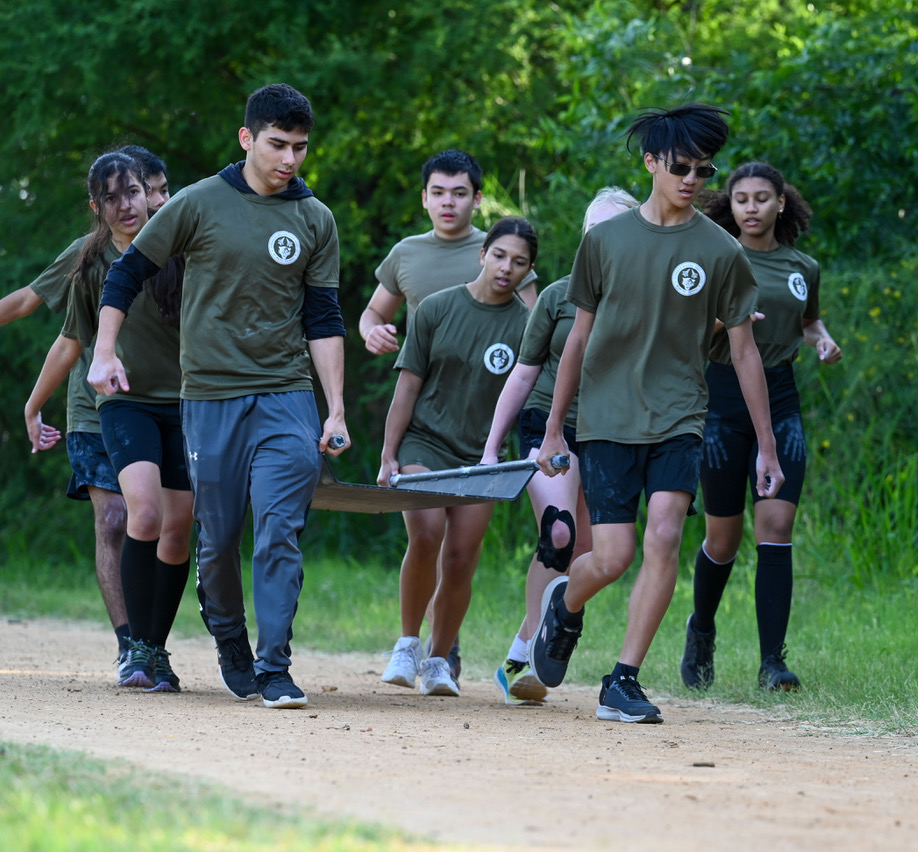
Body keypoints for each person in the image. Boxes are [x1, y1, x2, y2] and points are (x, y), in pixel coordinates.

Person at [90, 83, 350, 710]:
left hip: (286, 394)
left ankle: (275, 663)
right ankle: (229, 634)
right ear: (247, 138)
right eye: (277, 145)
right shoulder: (199, 203)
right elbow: (128, 273)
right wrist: (105, 350)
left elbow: (323, 317)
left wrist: (335, 406)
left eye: (300, 147)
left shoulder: (315, 218)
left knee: (279, 529)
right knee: (219, 536)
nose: (290, 159)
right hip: (209, 396)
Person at [530, 103, 784, 725]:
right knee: (612, 556)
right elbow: (578, 340)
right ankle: (564, 604)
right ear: (650, 162)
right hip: (608, 419)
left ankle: (623, 680)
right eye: (680, 166)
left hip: (680, 416)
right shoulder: (605, 243)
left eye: (703, 169)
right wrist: (555, 426)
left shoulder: (721, 250)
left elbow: (745, 352)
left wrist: (767, 446)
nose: (692, 178)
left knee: (666, 533)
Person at [0, 143, 171, 674]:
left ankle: (154, 637)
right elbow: (41, 313)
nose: (131, 204)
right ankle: (129, 645)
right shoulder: (88, 255)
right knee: (115, 518)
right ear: (97, 205)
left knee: (166, 523)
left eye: (141, 192)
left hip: (167, 402)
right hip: (99, 408)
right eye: (112, 197)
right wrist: (35, 406)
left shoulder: (176, 247)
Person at [680, 162, 842, 693]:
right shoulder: (713, 257)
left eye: (761, 198)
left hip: (781, 398)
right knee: (722, 540)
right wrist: (730, 325)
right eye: (741, 198)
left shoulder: (802, 266)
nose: (751, 207)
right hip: (722, 399)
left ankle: (773, 662)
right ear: (729, 205)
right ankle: (701, 629)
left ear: (780, 203)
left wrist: (820, 339)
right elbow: (686, 328)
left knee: (775, 528)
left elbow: (807, 319)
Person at [481, 188, 640, 705]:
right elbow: (523, 373)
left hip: (609, 434)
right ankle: (520, 660)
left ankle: (536, 638)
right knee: (559, 531)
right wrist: (490, 449)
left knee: (593, 556)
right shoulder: (556, 295)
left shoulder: (646, 298)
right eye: (594, 230)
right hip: (547, 425)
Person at [377, 217, 536, 697]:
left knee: (462, 558)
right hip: (424, 443)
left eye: (520, 262)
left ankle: (439, 660)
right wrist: (389, 455)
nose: (507, 267)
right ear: (482, 254)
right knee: (427, 533)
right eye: (501, 255)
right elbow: (407, 387)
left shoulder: (528, 327)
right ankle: (407, 644)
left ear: (529, 271)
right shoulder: (437, 309)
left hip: (482, 457)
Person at [360, 149, 538, 358]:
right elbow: (374, 313)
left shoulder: (502, 252)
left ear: (477, 199)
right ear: (425, 198)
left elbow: (534, 325)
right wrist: (372, 331)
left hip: (490, 379)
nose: (448, 202)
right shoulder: (404, 252)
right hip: (420, 381)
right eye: (438, 193)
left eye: (459, 194)